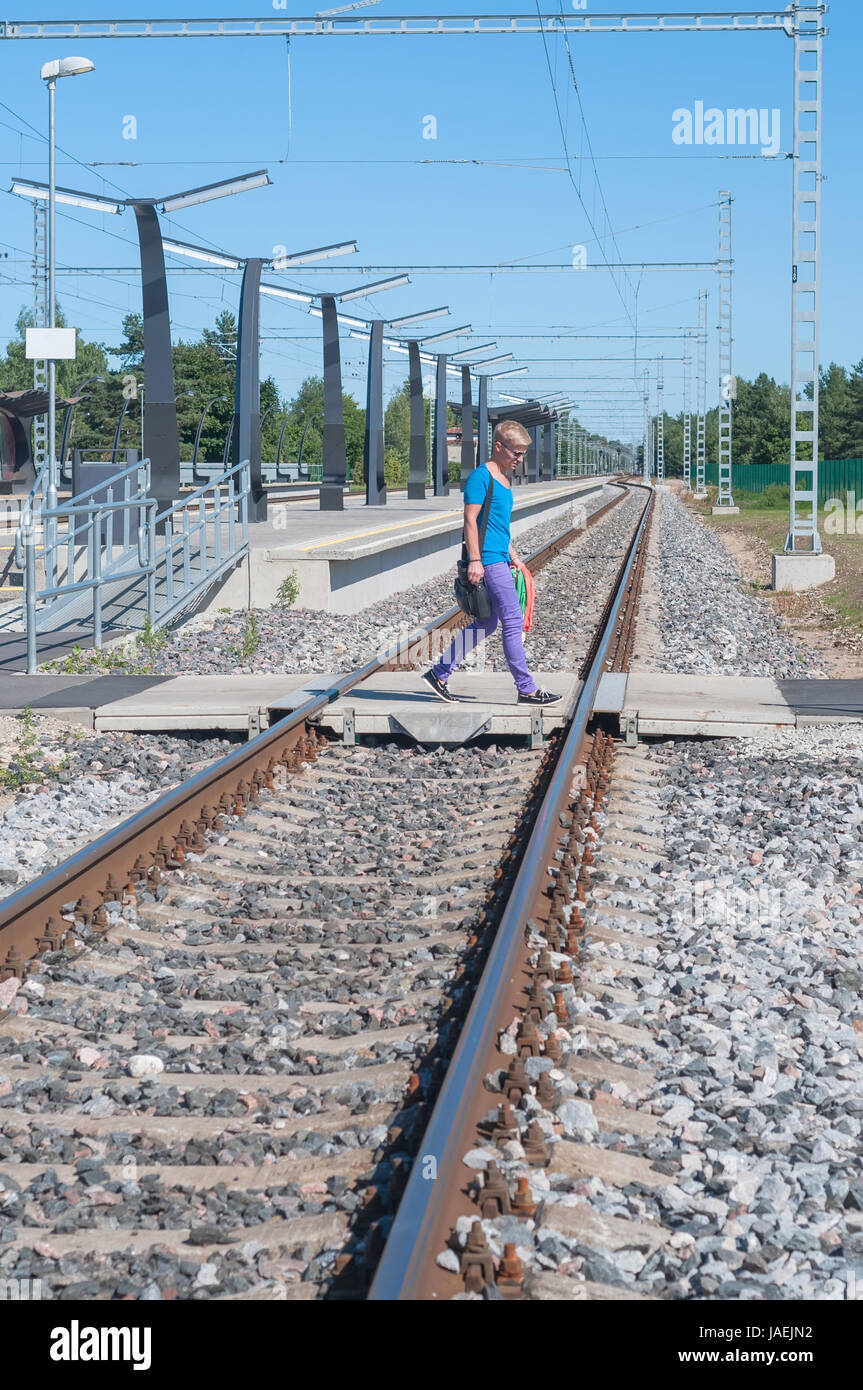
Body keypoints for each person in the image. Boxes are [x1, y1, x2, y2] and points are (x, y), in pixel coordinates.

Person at [422, 420, 561, 706]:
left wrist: (513, 556)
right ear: (499, 447)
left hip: (499, 557)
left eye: (523, 454)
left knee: (487, 623)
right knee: (511, 620)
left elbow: (498, 525)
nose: (520, 459)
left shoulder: (505, 480)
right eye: (516, 453)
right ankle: (527, 689)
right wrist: (475, 560)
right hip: (486, 560)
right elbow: (470, 520)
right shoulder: (480, 477)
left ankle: (439, 673)